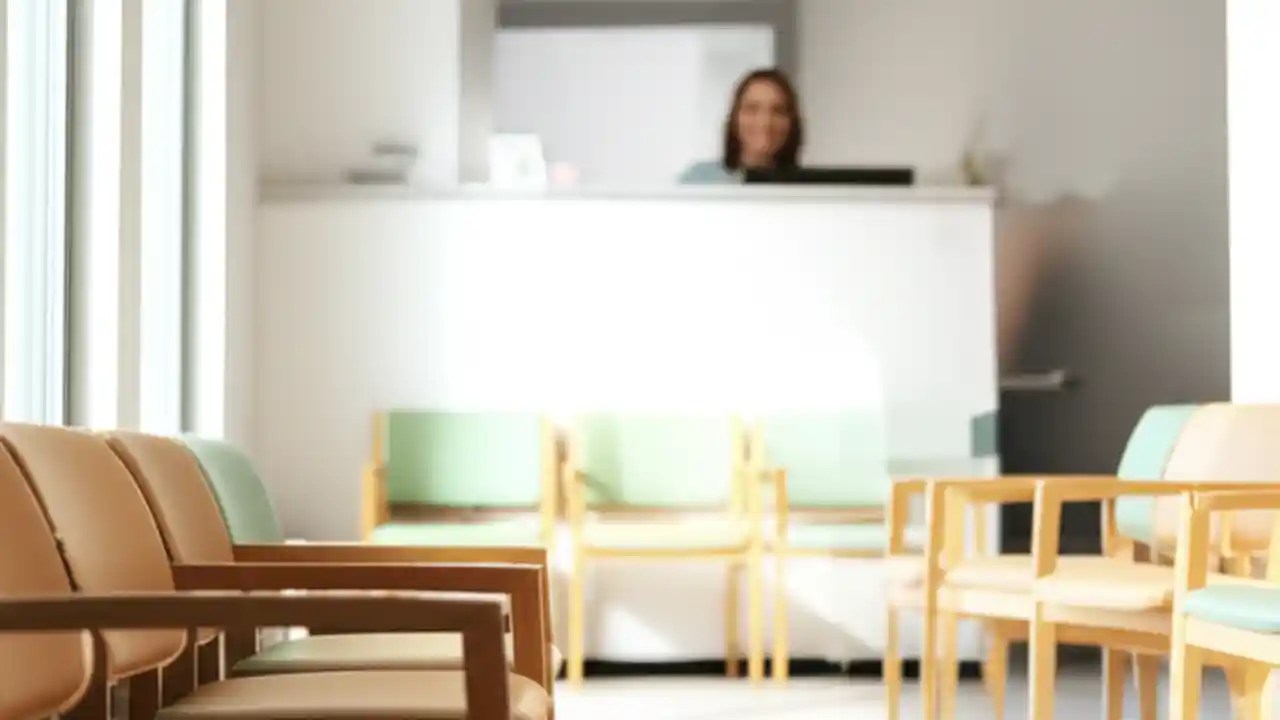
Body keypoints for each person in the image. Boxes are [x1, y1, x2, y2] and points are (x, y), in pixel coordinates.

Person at [679, 68, 805, 185]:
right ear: (735, 118)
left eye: (778, 111)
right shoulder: (698, 181)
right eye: (752, 109)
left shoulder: (808, 189)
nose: (765, 122)